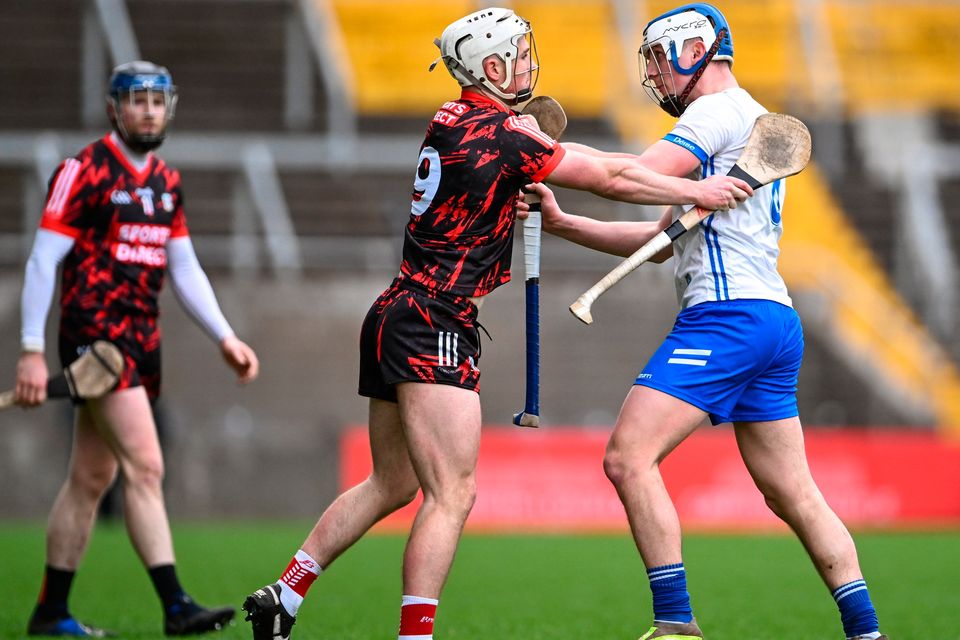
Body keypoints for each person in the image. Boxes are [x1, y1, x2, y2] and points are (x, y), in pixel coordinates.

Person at [242, 7, 753, 640]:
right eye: (519, 54)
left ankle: (285, 595)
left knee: (391, 483)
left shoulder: (451, 119)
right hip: (437, 322)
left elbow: (528, 167)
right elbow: (610, 175)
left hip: (395, 312)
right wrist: (695, 192)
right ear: (491, 66)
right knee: (452, 493)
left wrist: (526, 184)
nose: (529, 63)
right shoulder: (503, 134)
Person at [521, 4, 888, 640]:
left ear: (694, 51)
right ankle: (866, 631)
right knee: (794, 494)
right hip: (773, 321)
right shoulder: (746, 119)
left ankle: (674, 623)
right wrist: (563, 223)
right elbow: (660, 242)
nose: (654, 77)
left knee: (628, 458)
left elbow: (629, 177)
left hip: (727, 318)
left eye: (658, 61)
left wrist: (533, 150)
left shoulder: (713, 114)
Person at [14, 60, 260, 637]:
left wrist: (224, 335)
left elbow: (184, 267)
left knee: (89, 478)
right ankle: (176, 606)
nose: (148, 111)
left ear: (168, 108)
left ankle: (50, 612)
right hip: (97, 340)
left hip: (143, 341)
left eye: (156, 101)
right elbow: (43, 260)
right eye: (136, 100)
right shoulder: (83, 170)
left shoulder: (166, 181)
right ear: (114, 108)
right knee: (146, 467)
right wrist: (30, 349)